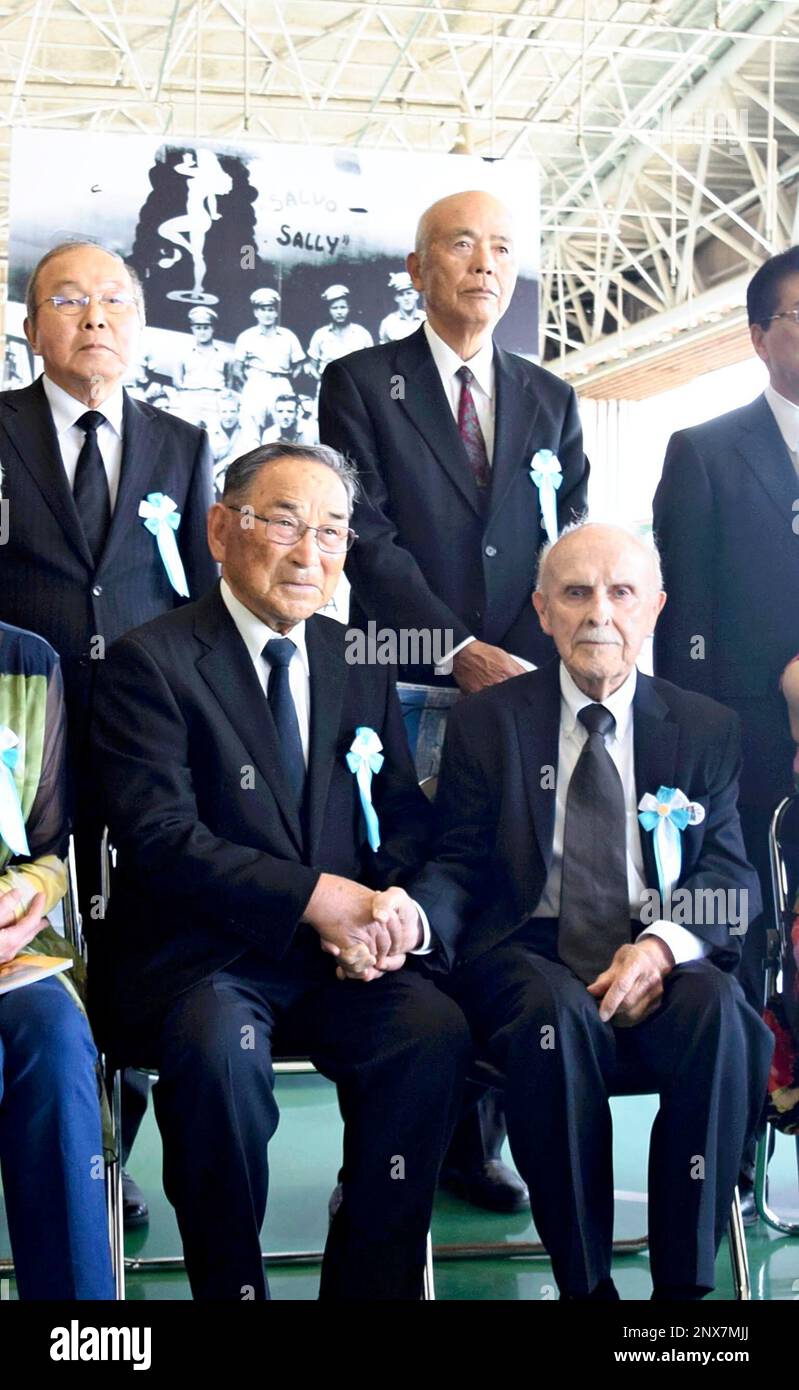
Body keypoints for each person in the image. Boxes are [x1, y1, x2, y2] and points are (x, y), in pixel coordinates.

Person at [90, 442, 472, 1301]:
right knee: (219, 1056)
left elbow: (404, 817)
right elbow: (159, 837)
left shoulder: (355, 657)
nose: (310, 554)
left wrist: (391, 914)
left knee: (432, 1032)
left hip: (344, 962)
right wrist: (317, 900)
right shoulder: (150, 662)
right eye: (285, 524)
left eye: (332, 532)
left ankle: (368, 1288)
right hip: (208, 957)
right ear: (221, 530)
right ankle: (233, 1289)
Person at [406, 522, 773, 1300]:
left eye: (620, 593)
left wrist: (662, 948)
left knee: (723, 1014)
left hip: (655, 948)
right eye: (575, 593)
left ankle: (682, 1297)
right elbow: (458, 864)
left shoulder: (705, 726)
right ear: (541, 611)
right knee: (555, 1018)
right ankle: (586, 1287)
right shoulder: (488, 722)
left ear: (655, 610)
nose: (597, 613)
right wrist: (410, 921)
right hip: (528, 951)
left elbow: (729, 875)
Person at [318, 189, 589, 1209]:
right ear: (417, 268)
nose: (487, 261)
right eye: (463, 243)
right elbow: (365, 536)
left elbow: (567, 537)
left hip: (522, 698)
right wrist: (460, 648)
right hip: (405, 688)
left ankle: (472, 1144)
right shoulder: (358, 383)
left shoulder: (548, 396)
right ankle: (381, 1147)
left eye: (504, 247)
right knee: (397, 896)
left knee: (496, 905)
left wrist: (529, 662)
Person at [0, 238, 218, 1229]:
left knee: (129, 928)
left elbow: (207, 600)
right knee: (32, 929)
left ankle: (104, 1157)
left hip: (143, 725)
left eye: (116, 301)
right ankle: (37, 1136)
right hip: (19, 726)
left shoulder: (181, 440)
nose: (95, 318)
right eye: (70, 299)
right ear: (33, 324)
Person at [653, 247, 799, 1211]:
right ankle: (734, 1150)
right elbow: (684, 637)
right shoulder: (704, 451)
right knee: (746, 944)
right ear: (757, 337)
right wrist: (776, 686)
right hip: (752, 755)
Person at [0, 616, 114, 1299]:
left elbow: (50, 846)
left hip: (10, 949)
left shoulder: (27, 661)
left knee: (59, 1041)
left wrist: (26, 895)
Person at [231, 288, 305, 434]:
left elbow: (298, 366)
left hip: (281, 383)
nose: (267, 314)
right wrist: (251, 383)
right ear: (255, 312)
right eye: (262, 310)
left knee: (281, 429)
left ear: (276, 312)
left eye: (271, 310)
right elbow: (237, 369)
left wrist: (287, 381)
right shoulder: (246, 337)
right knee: (251, 428)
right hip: (256, 383)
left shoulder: (288, 336)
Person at [174, 305, 230, 427]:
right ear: (192, 329)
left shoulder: (224, 353)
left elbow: (230, 380)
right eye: (198, 328)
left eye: (206, 327)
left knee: (215, 435)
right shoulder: (183, 352)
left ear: (213, 328)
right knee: (187, 433)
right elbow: (177, 380)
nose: (202, 332)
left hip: (215, 399)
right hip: (190, 398)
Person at [307, 285, 373, 380]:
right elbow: (312, 367)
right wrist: (322, 381)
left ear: (349, 308)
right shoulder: (320, 335)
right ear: (328, 310)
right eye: (334, 308)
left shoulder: (362, 333)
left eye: (343, 307)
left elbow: (371, 365)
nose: (339, 312)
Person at [207, 390, 260, 494]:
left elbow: (255, 451)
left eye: (232, 411)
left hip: (243, 471)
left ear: (238, 411)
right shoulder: (211, 431)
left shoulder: (248, 425)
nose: (228, 417)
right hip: (219, 477)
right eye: (224, 412)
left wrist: (223, 464)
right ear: (218, 412)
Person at [379, 270, 426, 343]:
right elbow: (383, 351)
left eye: (409, 293)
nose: (406, 298)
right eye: (401, 294)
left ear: (416, 295)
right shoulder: (388, 323)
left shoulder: (427, 319)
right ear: (396, 298)